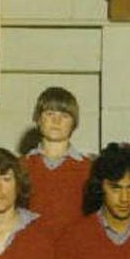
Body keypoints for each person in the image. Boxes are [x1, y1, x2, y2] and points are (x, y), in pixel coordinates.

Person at [21, 86, 92, 238]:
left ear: (74, 123)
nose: (56, 120)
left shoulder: (88, 169)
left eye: (65, 115)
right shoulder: (20, 166)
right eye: (50, 113)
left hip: (74, 250)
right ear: (38, 119)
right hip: (32, 249)